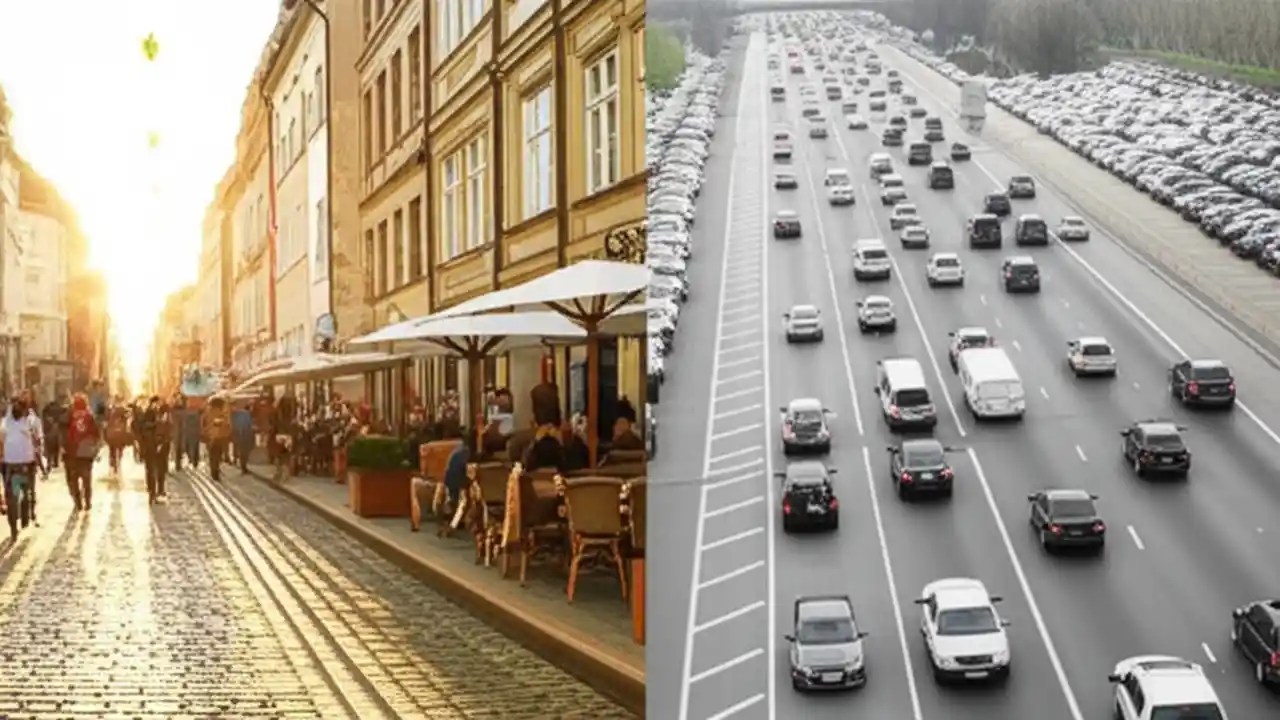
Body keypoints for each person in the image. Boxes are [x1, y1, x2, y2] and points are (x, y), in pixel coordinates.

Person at [1, 396, 43, 539]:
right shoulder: (31, 421)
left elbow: (1, 441)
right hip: (23, 464)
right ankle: (22, 519)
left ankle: (15, 526)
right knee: (25, 493)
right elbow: (38, 440)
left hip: (13, 464)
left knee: (15, 495)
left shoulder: (6, 422)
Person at [63, 393, 100, 512]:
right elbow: (96, 433)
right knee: (86, 479)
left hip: (72, 452)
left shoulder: (70, 415)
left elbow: (63, 430)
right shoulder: (89, 416)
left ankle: (78, 502)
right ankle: (88, 502)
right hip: (86, 452)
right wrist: (95, 447)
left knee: (73, 480)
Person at [137, 396, 167, 503]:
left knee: (154, 470)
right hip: (155, 446)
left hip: (153, 446)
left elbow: (139, 431)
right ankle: (155, 491)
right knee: (156, 470)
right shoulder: (155, 415)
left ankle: (154, 491)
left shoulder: (152, 414)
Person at [202, 396, 232, 482]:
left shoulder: (207, 411)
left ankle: (214, 471)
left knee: (212, 455)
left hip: (210, 436)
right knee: (218, 455)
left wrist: (204, 432)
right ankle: (216, 471)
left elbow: (203, 422)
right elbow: (227, 423)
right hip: (220, 437)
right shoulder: (222, 412)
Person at [231, 400, 254, 474]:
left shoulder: (244, 413)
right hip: (241, 434)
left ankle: (243, 465)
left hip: (244, 434)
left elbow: (249, 424)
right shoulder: (233, 415)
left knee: (244, 451)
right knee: (242, 451)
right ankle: (243, 466)